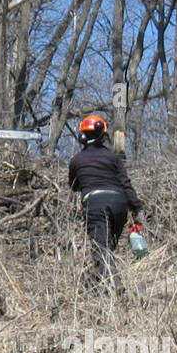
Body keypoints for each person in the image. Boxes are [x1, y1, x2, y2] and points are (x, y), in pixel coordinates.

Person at [68, 115, 143, 296]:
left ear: (82, 137)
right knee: (108, 248)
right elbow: (125, 183)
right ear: (103, 135)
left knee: (101, 249)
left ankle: (115, 287)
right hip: (119, 204)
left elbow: (73, 186)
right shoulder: (113, 158)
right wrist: (136, 207)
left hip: (94, 204)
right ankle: (102, 285)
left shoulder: (76, 161)